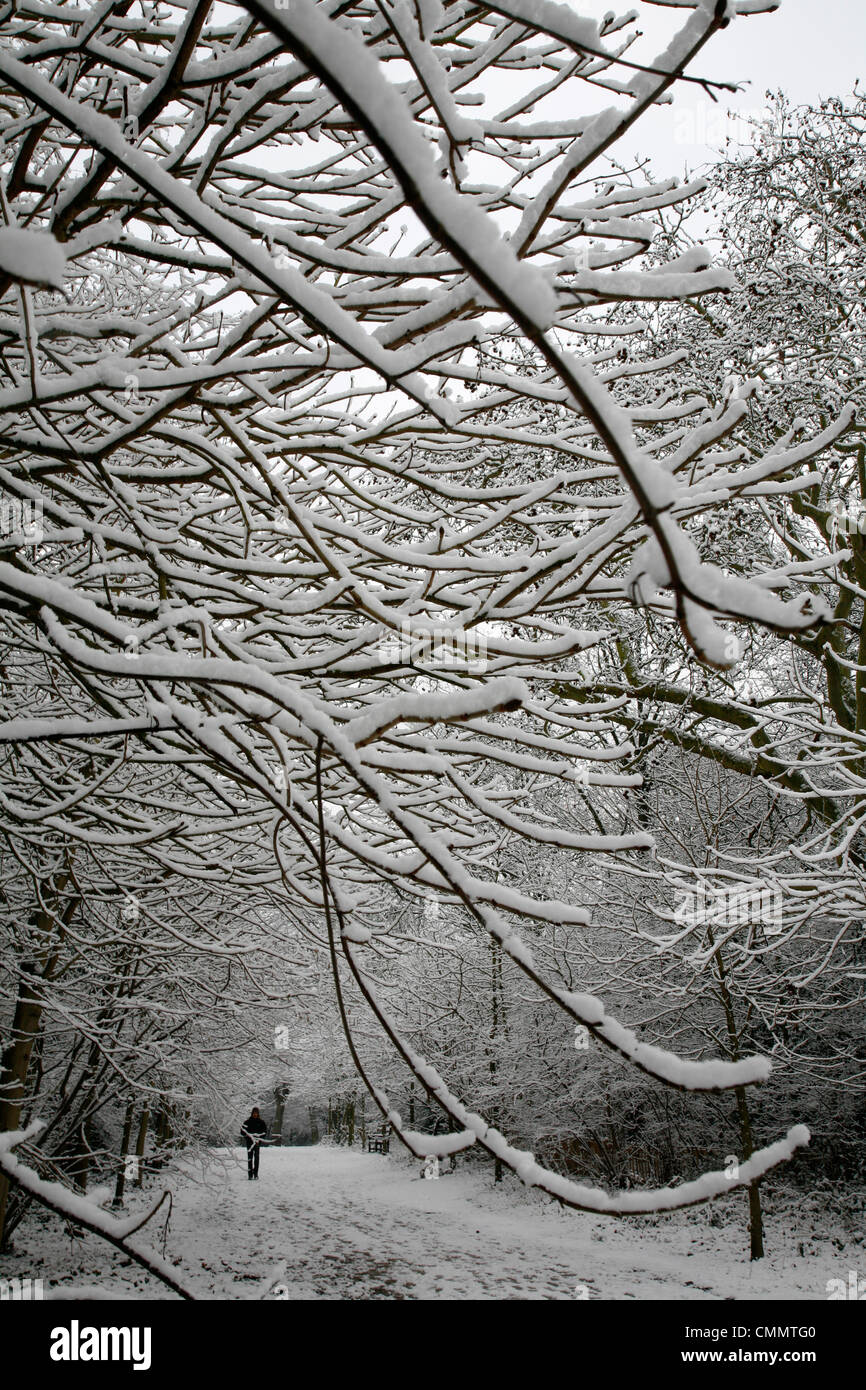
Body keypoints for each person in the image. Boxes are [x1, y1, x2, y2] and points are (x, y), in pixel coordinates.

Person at [241, 1107, 268, 1179]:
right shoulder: (247, 1122)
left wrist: (259, 1139)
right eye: (254, 1113)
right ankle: (250, 1175)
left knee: (256, 1158)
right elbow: (242, 1132)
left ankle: (255, 1174)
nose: (255, 1114)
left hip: (257, 1143)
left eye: (256, 1113)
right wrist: (248, 1138)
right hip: (249, 1143)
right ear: (252, 1113)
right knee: (250, 1158)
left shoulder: (261, 1122)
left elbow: (264, 1132)